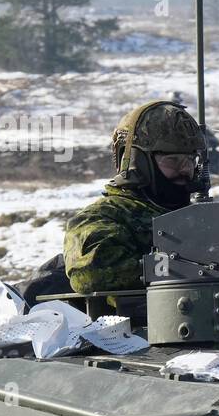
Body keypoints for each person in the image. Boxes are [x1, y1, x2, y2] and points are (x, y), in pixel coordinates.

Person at [63, 100, 207, 299]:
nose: (185, 170)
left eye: (190, 161)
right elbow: (91, 273)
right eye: (173, 161)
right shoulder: (102, 217)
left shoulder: (201, 217)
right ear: (137, 162)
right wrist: (188, 266)